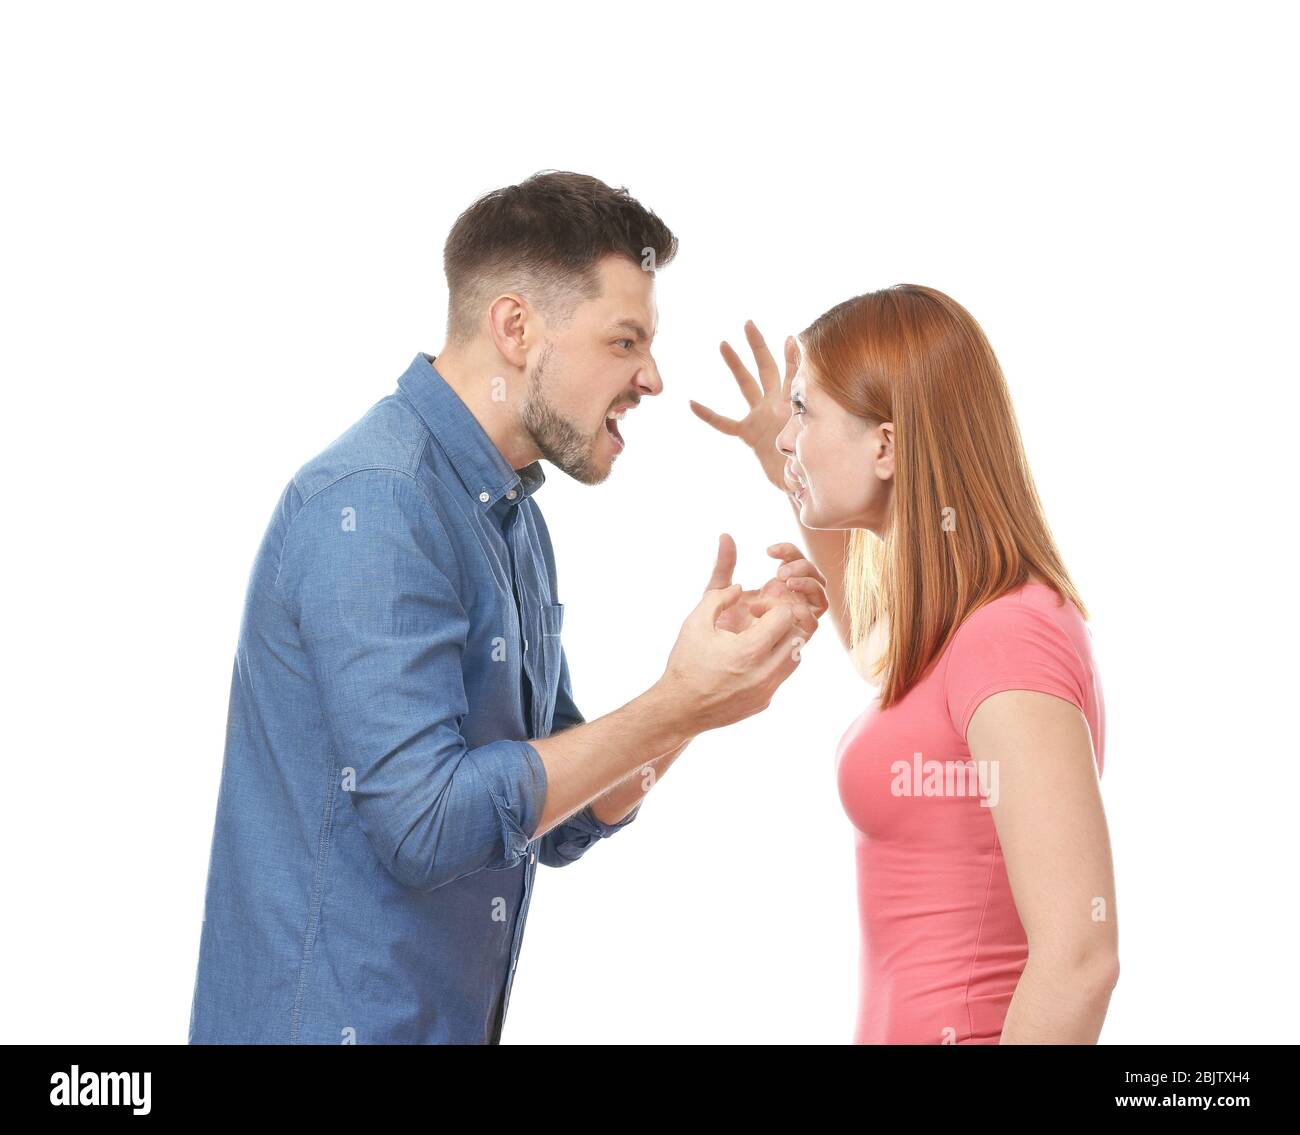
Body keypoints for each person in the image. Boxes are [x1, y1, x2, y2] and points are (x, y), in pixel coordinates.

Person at [188, 172, 825, 1044]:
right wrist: (677, 701)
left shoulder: (510, 520)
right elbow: (428, 823)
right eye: (625, 340)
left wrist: (699, 705)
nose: (652, 377)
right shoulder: (377, 504)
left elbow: (553, 822)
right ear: (517, 328)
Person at [690, 288, 1117, 1043]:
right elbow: (878, 648)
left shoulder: (1010, 635)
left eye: (803, 413)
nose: (790, 438)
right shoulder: (959, 629)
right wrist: (777, 462)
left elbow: (1081, 957)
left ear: (885, 446)